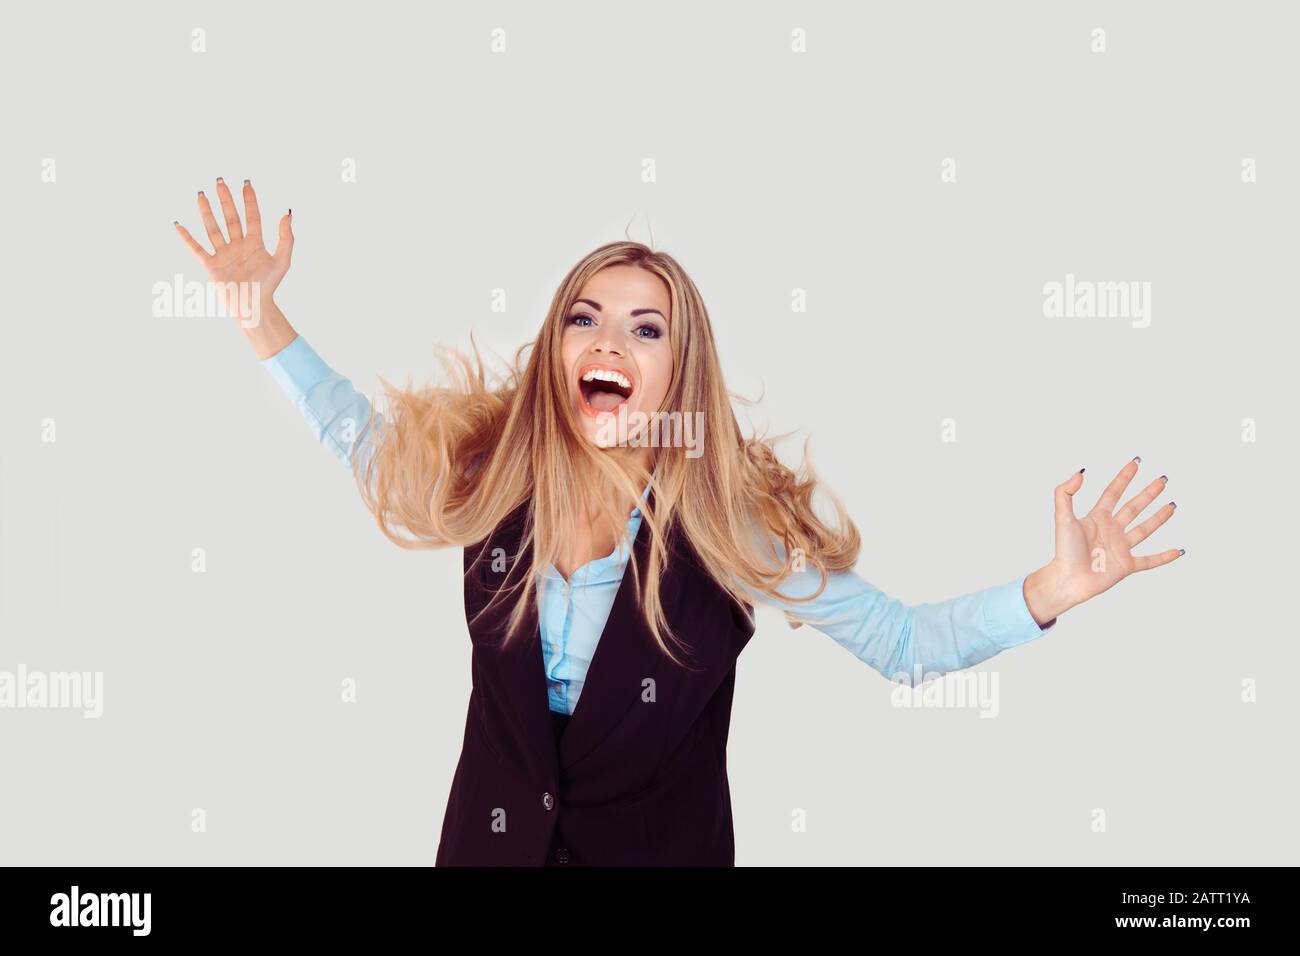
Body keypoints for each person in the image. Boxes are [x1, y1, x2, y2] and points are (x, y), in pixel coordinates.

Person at [174, 178, 1184, 866]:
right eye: (584, 316)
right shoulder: (496, 484)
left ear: (675, 369)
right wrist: (259, 315)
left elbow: (900, 642)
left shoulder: (724, 531)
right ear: (556, 349)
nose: (607, 336)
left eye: (643, 327)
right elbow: (360, 437)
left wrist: (1048, 591)